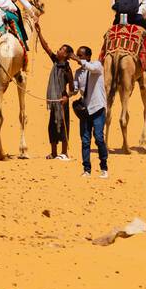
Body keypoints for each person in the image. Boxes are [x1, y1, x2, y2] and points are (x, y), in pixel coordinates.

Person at [35, 19, 74, 161]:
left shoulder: (67, 69)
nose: (58, 50)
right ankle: (53, 152)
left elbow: (73, 88)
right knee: (52, 126)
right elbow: (46, 48)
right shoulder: (56, 61)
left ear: (66, 55)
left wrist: (66, 97)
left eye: (62, 50)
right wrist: (39, 33)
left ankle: (64, 153)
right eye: (59, 49)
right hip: (53, 102)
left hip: (62, 103)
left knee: (63, 126)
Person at [71, 46, 108, 178]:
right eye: (77, 55)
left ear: (87, 57)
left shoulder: (97, 66)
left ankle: (104, 167)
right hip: (85, 111)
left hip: (98, 108)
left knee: (98, 138)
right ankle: (87, 169)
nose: (78, 58)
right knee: (85, 140)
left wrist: (78, 60)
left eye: (80, 56)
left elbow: (91, 68)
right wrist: (66, 95)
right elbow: (75, 90)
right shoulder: (78, 73)